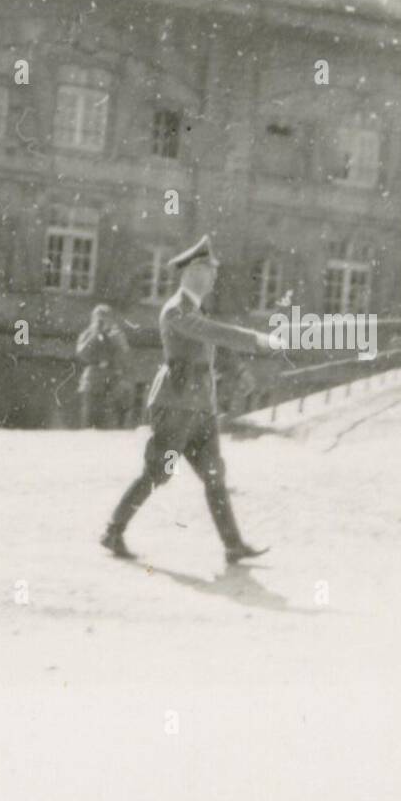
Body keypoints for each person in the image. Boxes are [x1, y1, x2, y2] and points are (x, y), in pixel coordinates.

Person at [101, 236, 281, 563]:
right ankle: (113, 531)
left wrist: (239, 369)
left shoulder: (195, 309)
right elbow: (212, 332)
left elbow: (214, 344)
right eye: (211, 271)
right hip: (176, 407)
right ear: (194, 272)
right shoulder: (176, 311)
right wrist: (257, 339)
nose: (215, 277)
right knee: (158, 473)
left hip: (201, 409)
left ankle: (233, 545)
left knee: (214, 476)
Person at [76, 303, 132, 429]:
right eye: (98, 318)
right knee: (89, 420)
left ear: (111, 319)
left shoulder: (116, 334)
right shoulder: (87, 334)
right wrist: (95, 335)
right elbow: (82, 353)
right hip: (93, 379)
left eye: (105, 317)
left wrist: (116, 339)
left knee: (110, 420)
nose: (101, 321)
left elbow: (125, 355)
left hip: (112, 379)